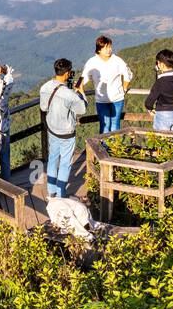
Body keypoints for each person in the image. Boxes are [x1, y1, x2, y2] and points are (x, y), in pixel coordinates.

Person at [39, 58, 86, 198]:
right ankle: (60, 194)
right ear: (67, 73)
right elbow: (82, 109)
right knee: (65, 164)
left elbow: (43, 107)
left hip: (52, 129)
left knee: (53, 159)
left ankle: (51, 191)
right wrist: (81, 92)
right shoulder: (70, 95)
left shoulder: (45, 87)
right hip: (66, 133)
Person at [81, 35, 134, 134]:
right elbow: (84, 77)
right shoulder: (92, 62)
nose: (109, 50)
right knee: (104, 125)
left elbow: (127, 75)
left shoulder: (117, 60)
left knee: (115, 125)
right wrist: (78, 88)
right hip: (101, 100)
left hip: (117, 99)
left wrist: (124, 88)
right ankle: (104, 148)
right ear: (99, 49)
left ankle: (114, 148)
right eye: (106, 48)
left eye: (110, 47)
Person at [143, 48, 173, 131]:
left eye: (158, 62)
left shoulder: (160, 82)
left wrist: (150, 109)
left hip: (164, 115)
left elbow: (149, 102)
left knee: (161, 140)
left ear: (161, 64)